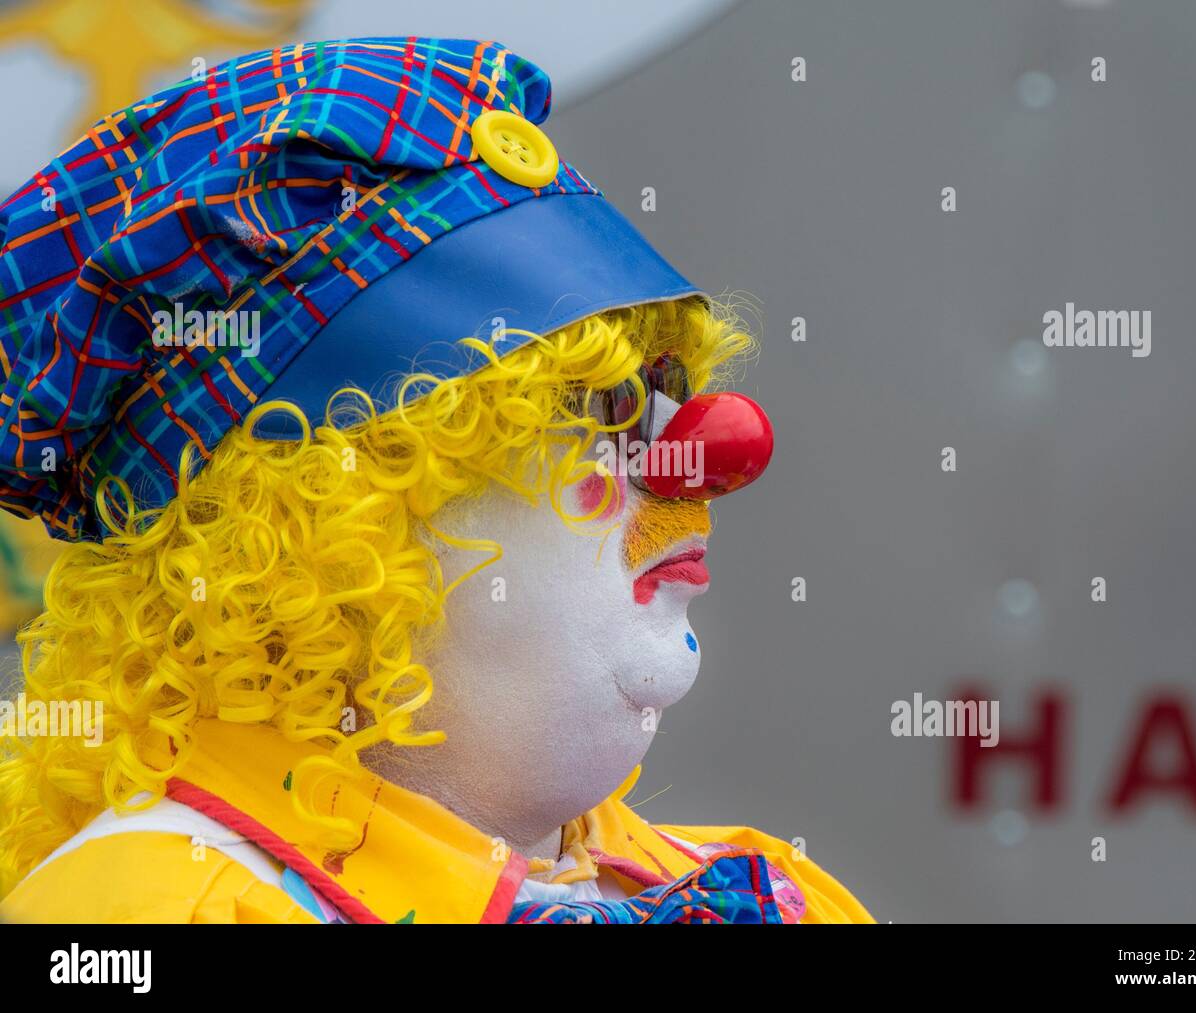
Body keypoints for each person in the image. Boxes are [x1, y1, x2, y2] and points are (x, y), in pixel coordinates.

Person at [0, 36, 870, 923]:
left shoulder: (768, 892)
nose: (704, 457)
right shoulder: (142, 913)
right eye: (604, 404)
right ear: (320, 519)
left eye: (667, 389)